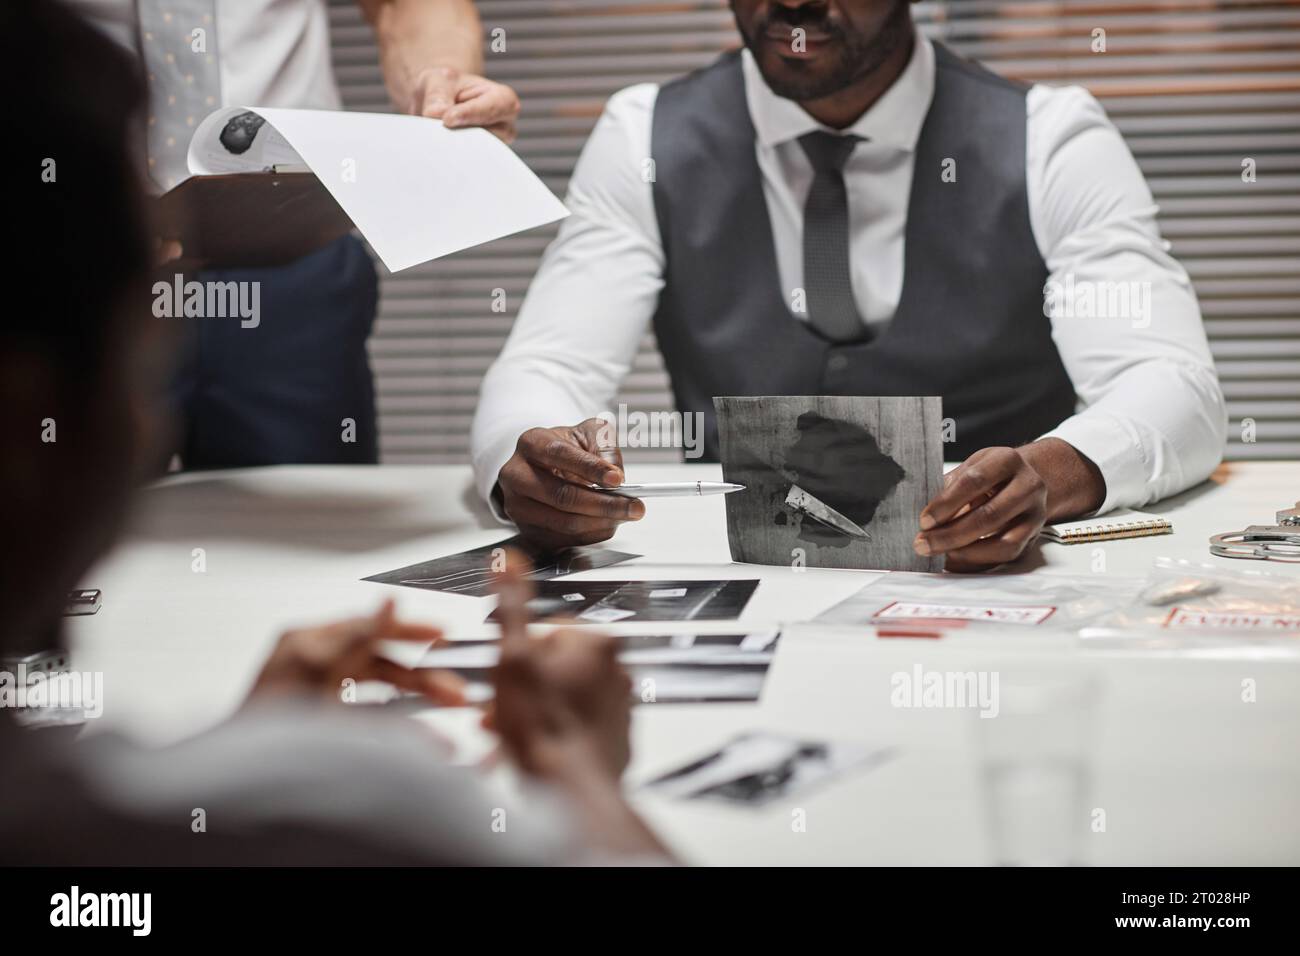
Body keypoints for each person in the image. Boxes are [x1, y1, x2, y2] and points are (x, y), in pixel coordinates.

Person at [2, 0, 667, 866]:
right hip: (61, 229)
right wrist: (576, 772)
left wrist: (439, 90)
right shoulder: (377, 810)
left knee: (294, 574)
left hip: (288, 246)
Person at [471, 0, 1227, 571]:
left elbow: (1172, 384)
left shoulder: (1051, 138)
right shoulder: (644, 136)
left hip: (993, 586)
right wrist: (529, 463)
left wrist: (1048, 473)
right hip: (746, 591)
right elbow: (550, 367)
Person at [66, 0, 521, 468]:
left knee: (311, 516)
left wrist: (441, 82)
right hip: (79, 267)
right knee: (63, 516)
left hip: (292, 261)